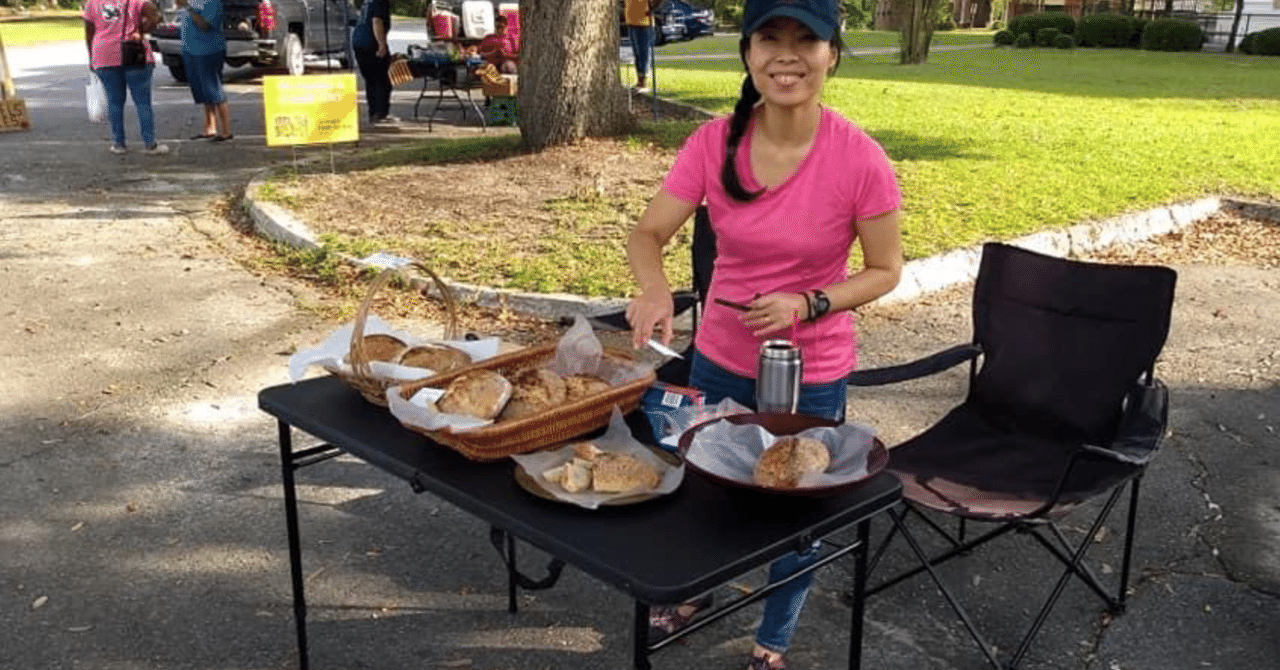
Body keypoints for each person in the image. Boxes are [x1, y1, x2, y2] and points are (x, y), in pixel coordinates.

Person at [624, 0, 904, 667]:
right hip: (720, 356)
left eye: (806, 40)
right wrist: (656, 286)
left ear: (832, 54)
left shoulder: (860, 158)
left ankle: (771, 641)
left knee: (794, 511)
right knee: (707, 488)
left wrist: (809, 303)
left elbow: (886, 270)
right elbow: (647, 232)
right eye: (770, 38)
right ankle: (696, 592)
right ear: (747, 54)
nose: (787, 55)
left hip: (812, 370)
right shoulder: (713, 142)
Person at [83, 0, 169, 155]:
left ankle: (118, 143)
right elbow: (154, 16)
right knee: (143, 102)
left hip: (104, 54)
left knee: (114, 101)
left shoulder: (93, 3)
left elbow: (89, 32)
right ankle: (150, 143)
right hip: (134, 52)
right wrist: (141, 31)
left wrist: (91, 57)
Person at [175, 0, 233, 141]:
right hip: (190, 49)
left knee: (214, 88)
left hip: (208, 49)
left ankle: (226, 130)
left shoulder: (212, 2)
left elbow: (205, 25)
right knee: (203, 90)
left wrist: (188, 7)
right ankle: (209, 127)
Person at [352, 0, 396, 124]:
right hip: (371, 43)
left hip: (359, 42)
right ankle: (380, 114)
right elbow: (376, 21)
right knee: (382, 80)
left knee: (370, 80)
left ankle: (373, 112)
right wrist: (382, 45)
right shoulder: (380, 2)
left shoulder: (367, 1)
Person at [623, 0, 659, 91]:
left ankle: (643, 82)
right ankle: (639, 81)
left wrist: (651, 7)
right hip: (631, 21)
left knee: (644, 53)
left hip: (645, 23)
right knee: (637, 54)